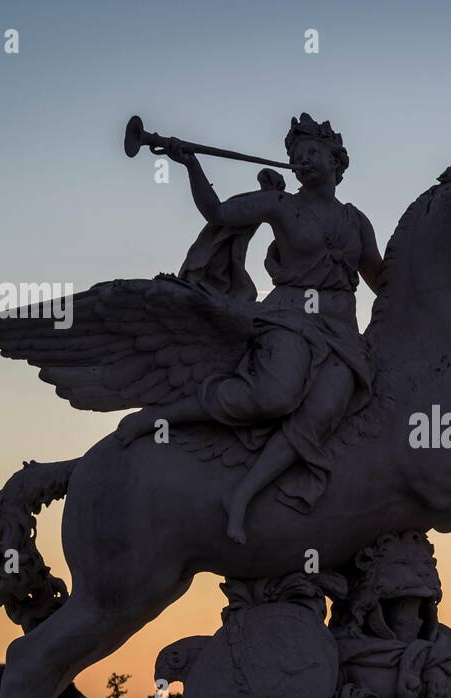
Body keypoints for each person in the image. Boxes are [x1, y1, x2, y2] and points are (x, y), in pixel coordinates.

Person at [117, 114, 381, 540]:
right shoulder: (281, 206)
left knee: (323, 413)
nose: (304, 160)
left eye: (313, 153)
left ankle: (243, 493)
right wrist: (191, 166)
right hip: (290, 319)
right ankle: (161, 418)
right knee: (274, 396)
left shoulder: (356, 221)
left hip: (342, 333)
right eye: (297, 156)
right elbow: (219, 212)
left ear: (336, 160)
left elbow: (383, 281)